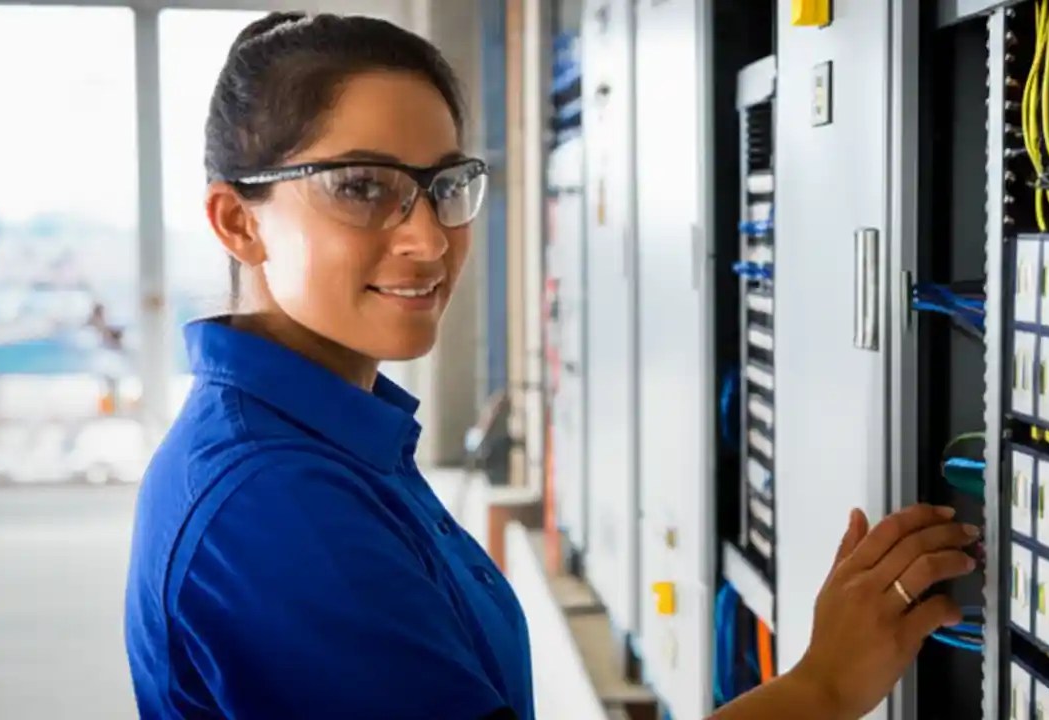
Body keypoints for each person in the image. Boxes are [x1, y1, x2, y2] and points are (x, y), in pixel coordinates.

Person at [123, 12, 978, 720]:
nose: (429, 240)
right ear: (240, 222)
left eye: (444, 183)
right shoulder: (271, 503)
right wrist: (822, 686)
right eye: (361, 186)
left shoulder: (327, 434)